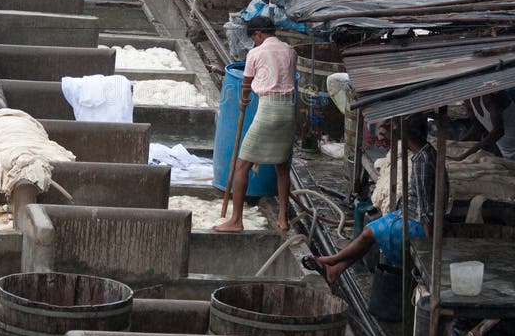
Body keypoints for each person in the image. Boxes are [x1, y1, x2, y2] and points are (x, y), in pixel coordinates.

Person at [303, 114, 447, 284]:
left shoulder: (422, 161)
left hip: (418, 222)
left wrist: (428, 245)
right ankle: (335, 269)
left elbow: (425, 208)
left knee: (368, 233)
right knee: (370, 231)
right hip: (410, 213)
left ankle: (332, 260)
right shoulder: (427, 152)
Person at [213, 16, 297, 233]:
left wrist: (243, 101)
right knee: (282, 167)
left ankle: (236, 220)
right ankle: (282, 218)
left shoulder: (256, 53)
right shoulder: (289, 50)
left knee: (242, 165)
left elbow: (246, 83)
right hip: (288, 109)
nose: (255, 41)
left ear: (259, 34)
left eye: (255, 37)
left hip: (268, 109)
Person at [457, 92, 515, 161]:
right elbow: (478, 127)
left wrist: (464, 156)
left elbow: (498, 131)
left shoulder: (492, 98)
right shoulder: (469, 101)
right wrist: (457, 144)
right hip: (506, 152)